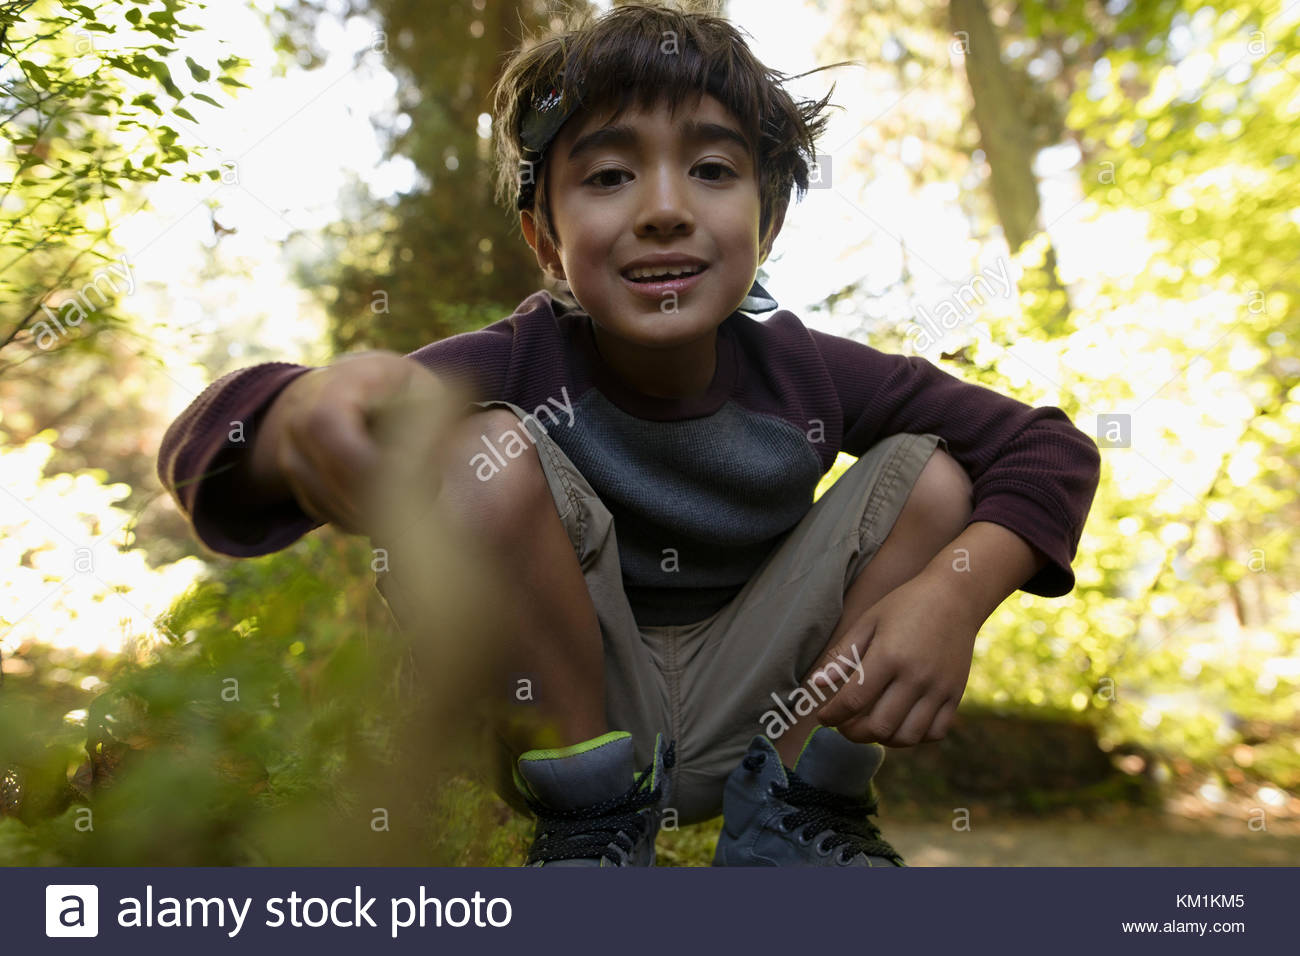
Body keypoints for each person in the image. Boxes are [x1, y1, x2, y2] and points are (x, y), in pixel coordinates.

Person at [158, 2, 1101, 868]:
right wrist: (294, 413)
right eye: (608, 175)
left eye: (713, 169)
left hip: (766, 707)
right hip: (570, 712)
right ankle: (590, 829)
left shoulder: (809, 370)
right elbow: (206, 447)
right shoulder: (519, 362)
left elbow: (1049, 446)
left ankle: (795, 819)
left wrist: (955, 595)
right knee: (477, 457)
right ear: (546, 239)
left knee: (933, 477)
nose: (662, 208)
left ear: (765, 222)